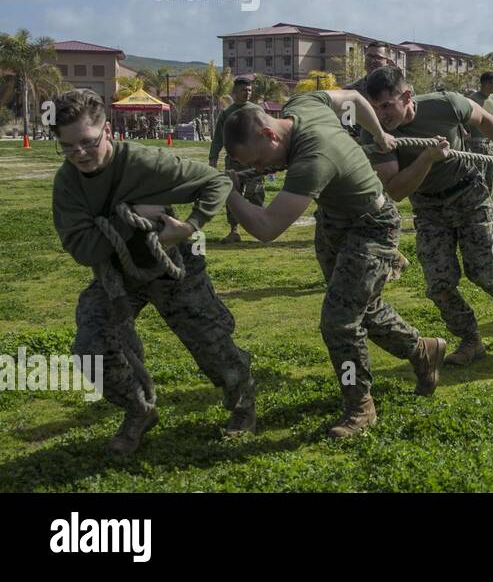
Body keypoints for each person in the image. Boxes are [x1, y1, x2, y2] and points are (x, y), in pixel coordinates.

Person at [221, 88, 446, 438]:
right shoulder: (301, 103)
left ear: (269, 133)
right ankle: (423, 350)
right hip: (335, 220)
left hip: (372, 226)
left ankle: (360, 406)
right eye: (252, 167)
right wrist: (379, 133)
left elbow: (267, 228)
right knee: (361, 311)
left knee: (339, 322)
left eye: (258, 160)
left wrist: (229, 194)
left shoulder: (313, 157)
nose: (260, 169)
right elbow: (355, 98)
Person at [51, 89, 255, 456]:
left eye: (87, 142)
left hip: (171, 262)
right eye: (67, 147)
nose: (78, 153)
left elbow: (217, 182)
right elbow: (83, 249)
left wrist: (190, 226)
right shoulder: (67, 184)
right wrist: (129, 218)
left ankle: (242, 401)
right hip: (118, 276)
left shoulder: (144, 163)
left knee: (210, 342)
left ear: (108, 131)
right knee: (91, 346)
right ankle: (139, 411)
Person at [362, 66, 493, 368]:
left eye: (386, 106)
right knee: (439, 285)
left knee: (482, 271)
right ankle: (471, 340)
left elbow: (484, 118)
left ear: (407, 96)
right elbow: (397, 189)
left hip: (469, 196)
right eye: (374, 107)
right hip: (429, 208)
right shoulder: (375, 131)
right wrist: (427, 158)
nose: (380, 115)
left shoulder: (444, 103)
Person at [209, 76, 265, 243]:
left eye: (249, 90)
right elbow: (218, 137)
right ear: (235, 92)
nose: (247, 93)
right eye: (243, 90)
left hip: (255, 160)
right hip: (234, 161)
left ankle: (260, 228)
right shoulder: (227, 113)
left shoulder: (257, 110)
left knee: (256, 193)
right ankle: (234, 230)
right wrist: (213, 158)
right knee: (233, 195)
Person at [467, 72, 493, 193]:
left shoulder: (492, 98)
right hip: (476, 144)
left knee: (489, 177)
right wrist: (465, 132)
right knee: (477, 178)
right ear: (486, 84)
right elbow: (460, 119)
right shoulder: (472, 99)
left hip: (490, 144)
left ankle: (488, 204)